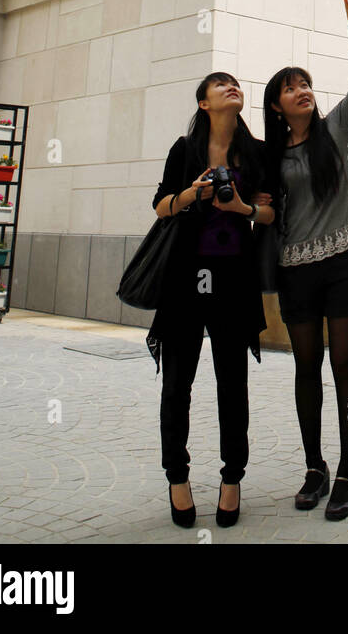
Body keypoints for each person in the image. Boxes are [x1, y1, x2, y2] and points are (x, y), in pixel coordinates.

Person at [260, 0, 348, 520]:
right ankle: (314, 467)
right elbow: (264, 212)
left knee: (345, 365)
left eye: (305, 84)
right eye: (290, 87)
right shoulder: (271, 157)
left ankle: (347, 470)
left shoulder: (334, 129)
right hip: (296, 272)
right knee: (307, 367)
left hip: (345, 262)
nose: (302, 91)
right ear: (277, 105)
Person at [147, 72, 274, 529]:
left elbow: (271, 210)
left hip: (233, 280)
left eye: (235, 84)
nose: (231, 88)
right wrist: (192, 193)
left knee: (232, 383)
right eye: (220, 86)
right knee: (177, 385)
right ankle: (177, 478)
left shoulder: (256, 153)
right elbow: (161, 205)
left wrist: (241, 208)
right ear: (204, 103)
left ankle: (232, 478)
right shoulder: (185, 149)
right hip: (185, 278)